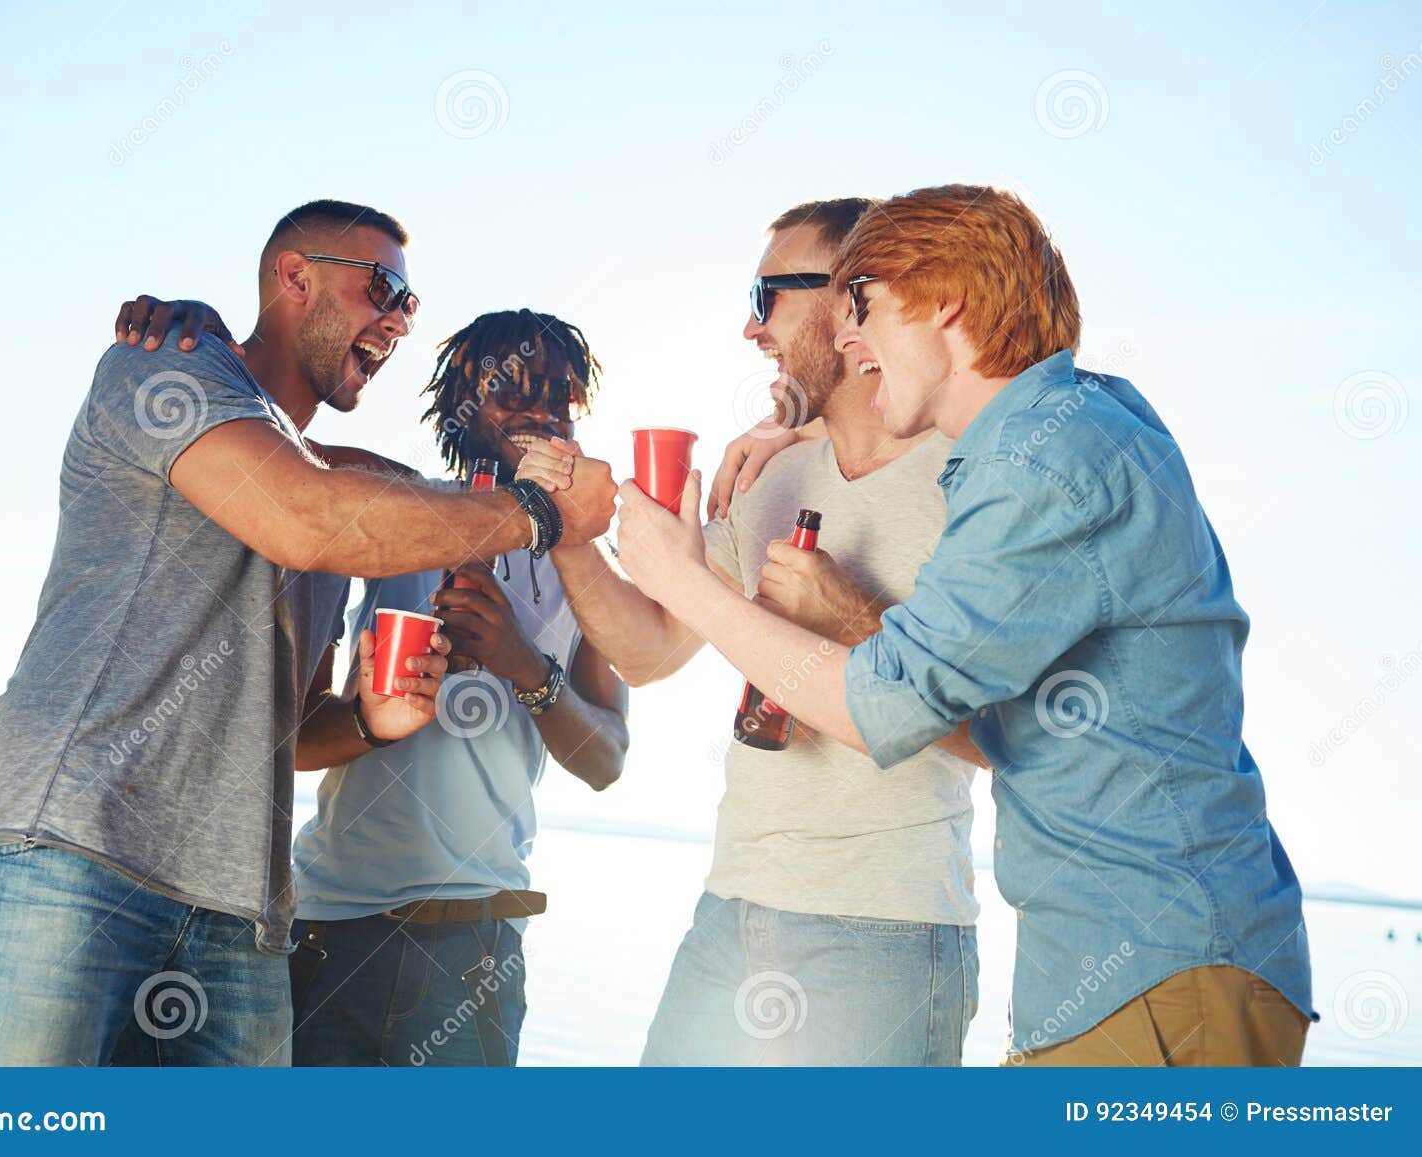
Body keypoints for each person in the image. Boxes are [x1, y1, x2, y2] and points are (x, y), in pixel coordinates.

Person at [603, 184, 1314, 1066]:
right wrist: (793, 424)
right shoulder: (1062, 430)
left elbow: (888, 708)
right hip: (1123, 964)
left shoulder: (1041, 460)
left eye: (860, 308)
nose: (849, 339)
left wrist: (676, 573)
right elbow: (957, 693)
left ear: (944, 300)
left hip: (1160, 968)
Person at [0, 199, 617, 1067]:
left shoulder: (348, 494)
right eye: (384, 287)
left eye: (410, 305)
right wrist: (539, 513)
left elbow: (291, 727)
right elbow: (303, 517)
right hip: (69, 862)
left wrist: (368, 721)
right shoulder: (166, 371)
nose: (397, 318)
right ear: (295, 277)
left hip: (241, 918)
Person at [517, 199, 986, 1066]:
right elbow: (652, 648)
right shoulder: (772, 475)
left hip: (883, 930)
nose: (749, 326)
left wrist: (850, 618)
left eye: (766, 294)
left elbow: (1001, 734)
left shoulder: (966, 482)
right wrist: (576, 531)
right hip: (730, 911)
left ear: (857, 301)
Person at [286, 310, 630, 1067]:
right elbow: (299, 738)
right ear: (460, 410)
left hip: (474, 946)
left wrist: (522, 664)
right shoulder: (392, 524)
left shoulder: (588, 572)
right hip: (325, 929)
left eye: (559, 399)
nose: (543, 413)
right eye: (515, 393)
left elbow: (607, 759)